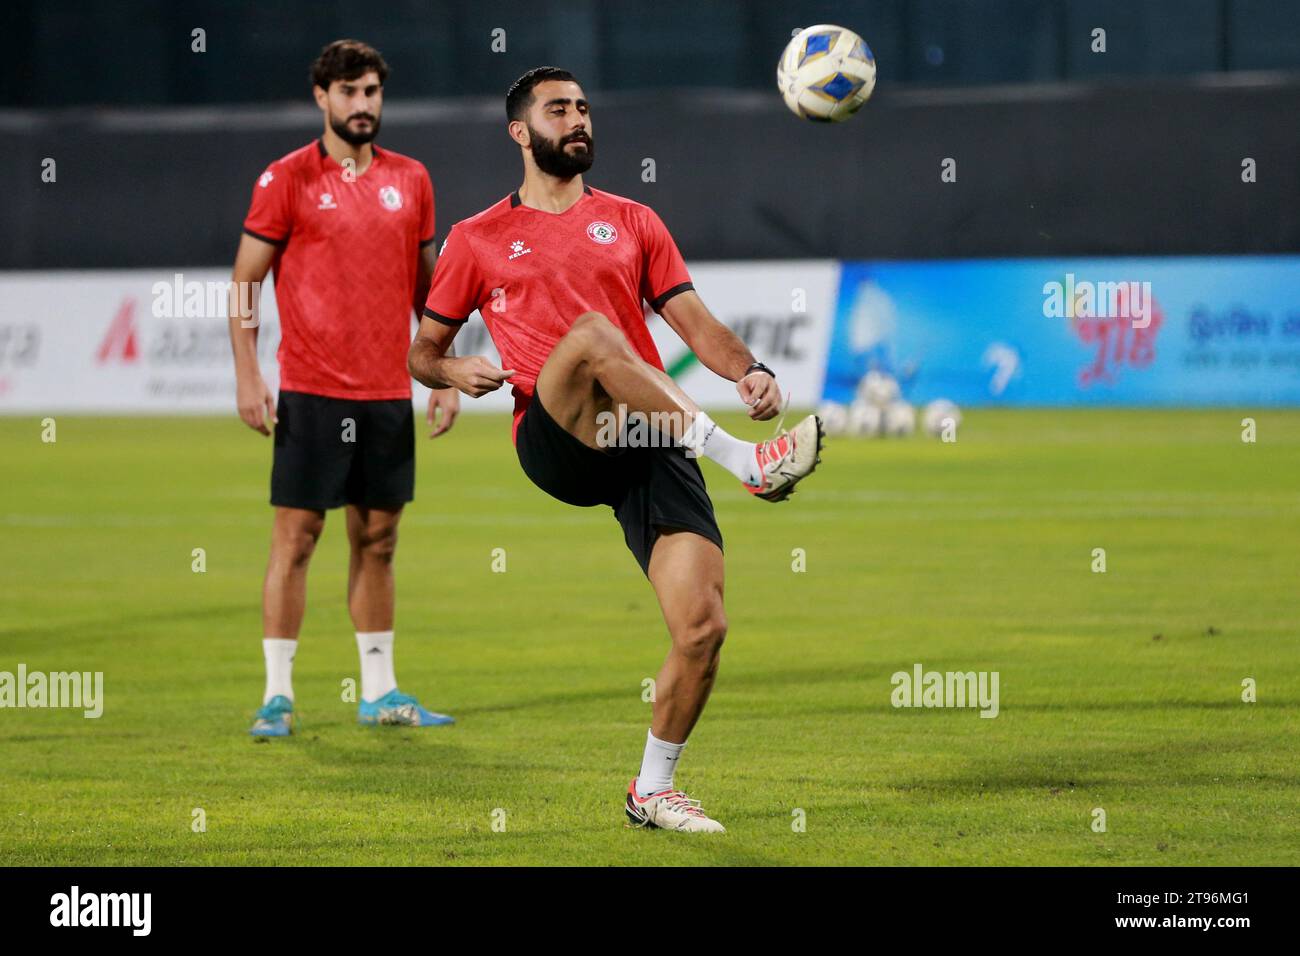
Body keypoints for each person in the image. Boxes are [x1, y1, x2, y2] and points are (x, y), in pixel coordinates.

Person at [408, 67, 823, 831]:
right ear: (519, 131)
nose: (577, 120)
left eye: (584, 108)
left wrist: (752, 369)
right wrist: (452, 367)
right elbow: (422, 350)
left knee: (703, 629)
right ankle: (746, 463)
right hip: (557, 431)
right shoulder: (475, 237)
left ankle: (652, 791)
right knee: (595, 334)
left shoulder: (634, 220)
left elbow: (695, 325)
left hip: (650, 437)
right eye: (558, 110)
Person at [228, 39, 459, 737]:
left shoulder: (412, 179)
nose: (364, 105)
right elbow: (245, 282)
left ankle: (380, 691)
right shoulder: (286, 179)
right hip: (312, 388)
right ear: (322, 98)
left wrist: (443, 371)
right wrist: (247, 371)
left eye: (373, 93)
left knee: (380, 540)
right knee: (297, 537)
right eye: (350, 93)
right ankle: (277, 695)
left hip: (387, 389)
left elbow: (431, 290)